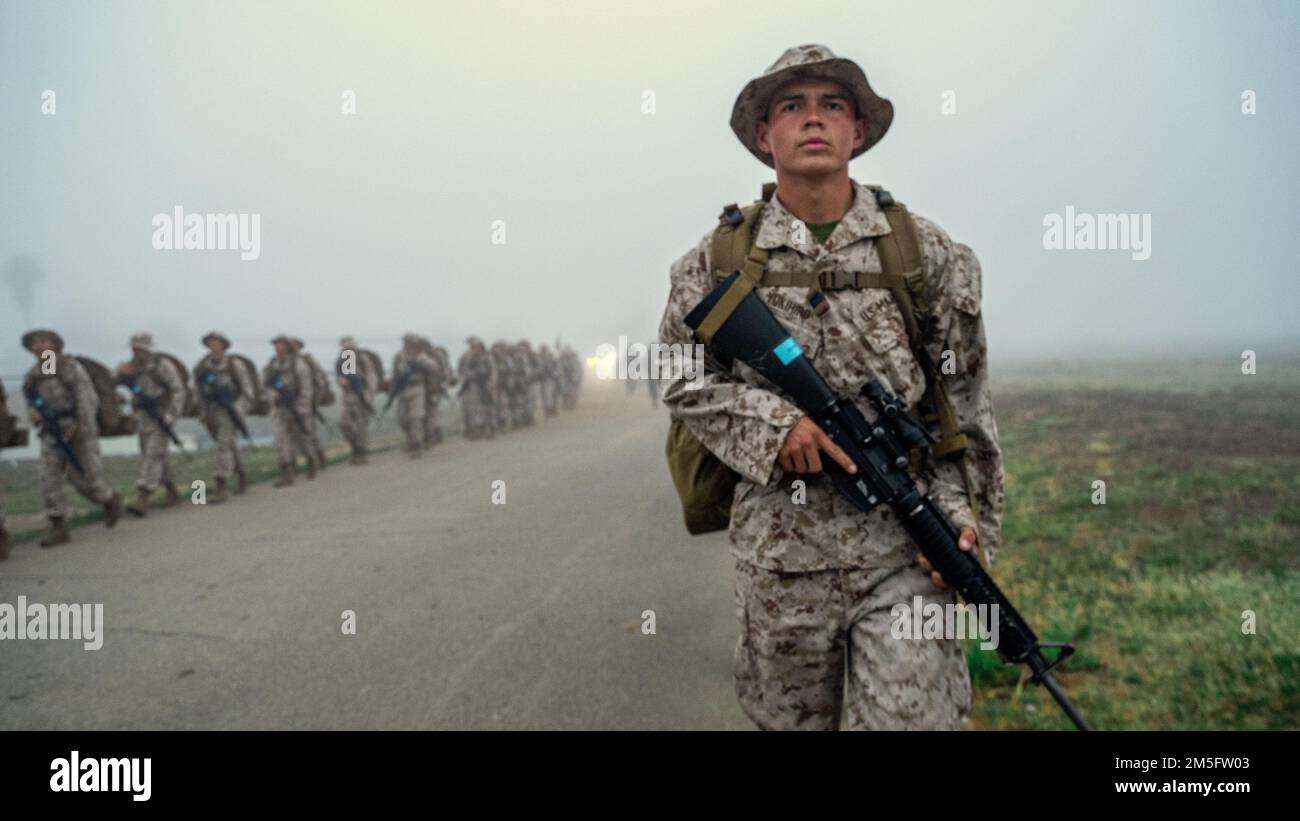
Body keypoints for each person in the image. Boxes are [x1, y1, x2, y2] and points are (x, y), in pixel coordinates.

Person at [656, 45, 1004, 730]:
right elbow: (677, 369)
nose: (813, 119)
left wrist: (969, 527)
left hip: (905, 550)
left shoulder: (924, 253)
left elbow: (965, 406)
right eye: (793, 106)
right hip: (780, 562)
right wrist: (773, 426)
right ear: (765, 135)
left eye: (832, 105)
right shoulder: (716, 260)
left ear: (858, 130)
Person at [20, 329, 124, 546]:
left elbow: (87, 400)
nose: (38, 346)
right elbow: (30, 400)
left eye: (43, 341)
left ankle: (109, 499)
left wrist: (80, 429)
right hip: (50, 432)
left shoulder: (70, 368)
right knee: (48, 477)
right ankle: (57, 525)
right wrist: (34, 413)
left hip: (78, 431)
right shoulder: (33, 375)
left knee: (86, 479)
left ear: (54, 344)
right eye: (34, 343)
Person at [116, 333, 186, 517]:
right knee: (152, 454)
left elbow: (178, 390)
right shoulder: (129, 367)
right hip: (142, 418)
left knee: (154, 454)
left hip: (161, 416)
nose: (137, 353)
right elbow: (113, 382)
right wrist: (120, 375)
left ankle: (143, 497)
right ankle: (171, 489)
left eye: (141, 349)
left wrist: (171, 414)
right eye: (135, 349)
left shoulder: (162, 366)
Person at [194, 331, 254, 502]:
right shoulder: (202, 367)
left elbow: (247, 391)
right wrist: (203, 414)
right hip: (212, 412)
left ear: (223, 345)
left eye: (216, 342)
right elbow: (199, 393)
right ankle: (242, 474)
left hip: (230, 411)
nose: (213, 346)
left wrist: (237, 409)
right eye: (210, 343)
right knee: (228, 445)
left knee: (223, 445)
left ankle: (221, 484)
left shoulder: (234, 365)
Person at [264, 335, 317, 486]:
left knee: (302, 438)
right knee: (281, 440)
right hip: (279, 408)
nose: (278, 348)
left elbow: (306, 388)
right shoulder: (272, 365)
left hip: (297, 407)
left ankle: (311, 461)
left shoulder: (299, 365)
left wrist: (301, 407)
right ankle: (288, 472)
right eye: (276, 345)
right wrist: (274, 397)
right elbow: (266, 385)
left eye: (281, 345)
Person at [335, 336, 378, 465]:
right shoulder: (341, 360)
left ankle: (361, 453)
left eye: (349, 346)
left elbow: (371, 376)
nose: (346, 348)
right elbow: (339, 375)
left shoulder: (362, 358)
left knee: (361, 427)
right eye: (344, 346)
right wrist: (341, 381)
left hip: (361, 396)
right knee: (344, 424)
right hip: (347, 396)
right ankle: (356, 447)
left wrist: (368, 395)